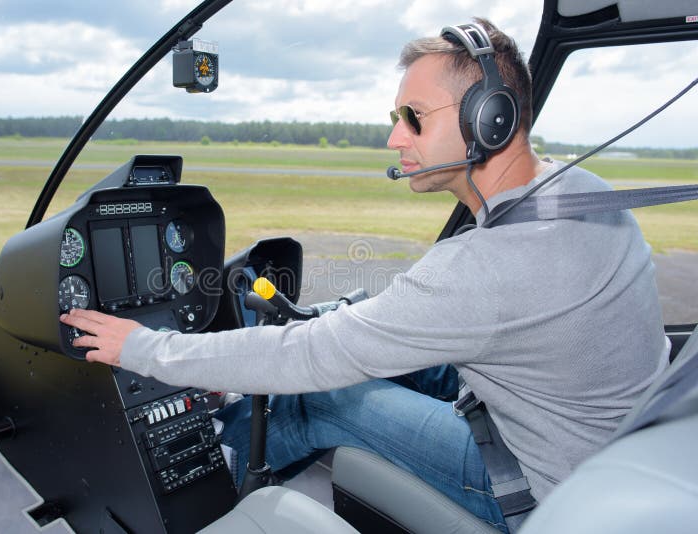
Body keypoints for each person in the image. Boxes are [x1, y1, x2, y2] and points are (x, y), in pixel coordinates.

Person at [60, 19, 668, 532]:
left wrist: (144, 348)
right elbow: (441, 314)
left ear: (490, 120)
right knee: (373, 329)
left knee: (330, 394)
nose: (393, 136)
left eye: (413, 116)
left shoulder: (488, 269)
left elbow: (313, 357)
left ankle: (213, 468)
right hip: (606, 451)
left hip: (546, 493)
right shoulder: (582, 191)